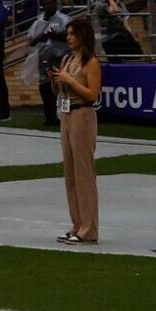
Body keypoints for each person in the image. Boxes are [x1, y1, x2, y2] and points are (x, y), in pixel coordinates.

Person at [53, 15, 105, 245]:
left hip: (83, 114)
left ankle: (89, 227)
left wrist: (70, 81)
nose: (69, 37)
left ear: (83, 36)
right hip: (66, 114)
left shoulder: (90, 62)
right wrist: (57, 80)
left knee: (84, 173)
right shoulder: (67, 60)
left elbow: (92, 95)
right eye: (68, 33)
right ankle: (77, 223)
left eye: (73, 33)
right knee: (70, 173)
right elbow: (61, 91)